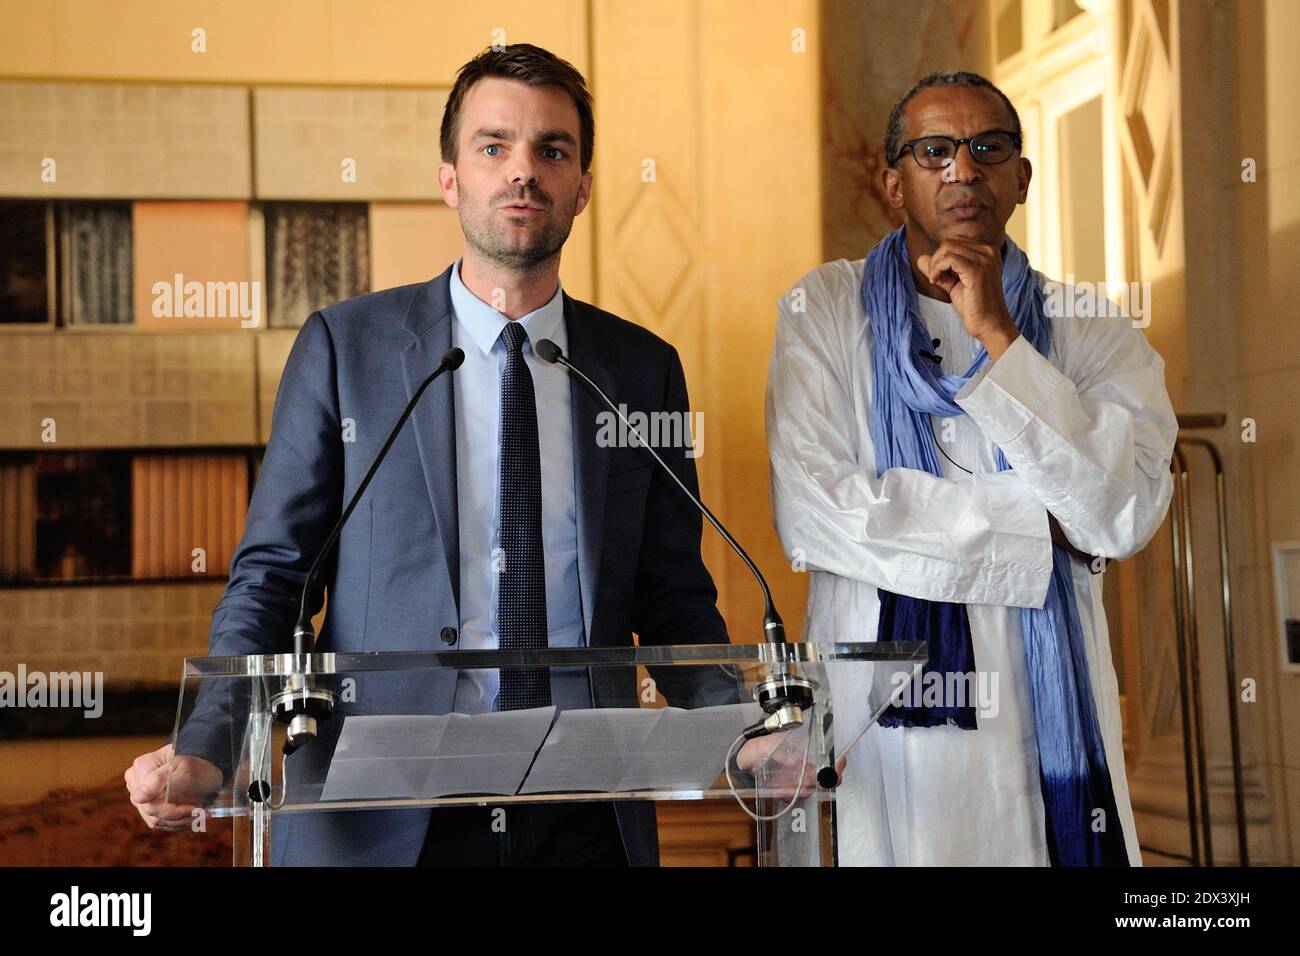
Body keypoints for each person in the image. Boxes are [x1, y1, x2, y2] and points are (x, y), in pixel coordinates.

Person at [124, 43, 738, 866]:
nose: (524, 171)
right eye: (494, 146)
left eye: (552, 150)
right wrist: (207, 745)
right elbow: (275, 578)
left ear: (583, 186)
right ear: (449, 176)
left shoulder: (640, 368)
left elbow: (673, 601)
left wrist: (747, 731)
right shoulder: (348, 349)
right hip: (385, 813)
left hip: (583, 811)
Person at [760, 71, 1177, 866]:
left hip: (1040, 712)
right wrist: (1036, 527)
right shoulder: (823, 310)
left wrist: (1000, 339)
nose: (963, 170)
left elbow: (1120, 515)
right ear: (892, 183)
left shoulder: (1092, 331)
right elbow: (817, 511)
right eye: (935, 151)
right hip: (873, 725)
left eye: (989, 148)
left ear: (1022, 176)